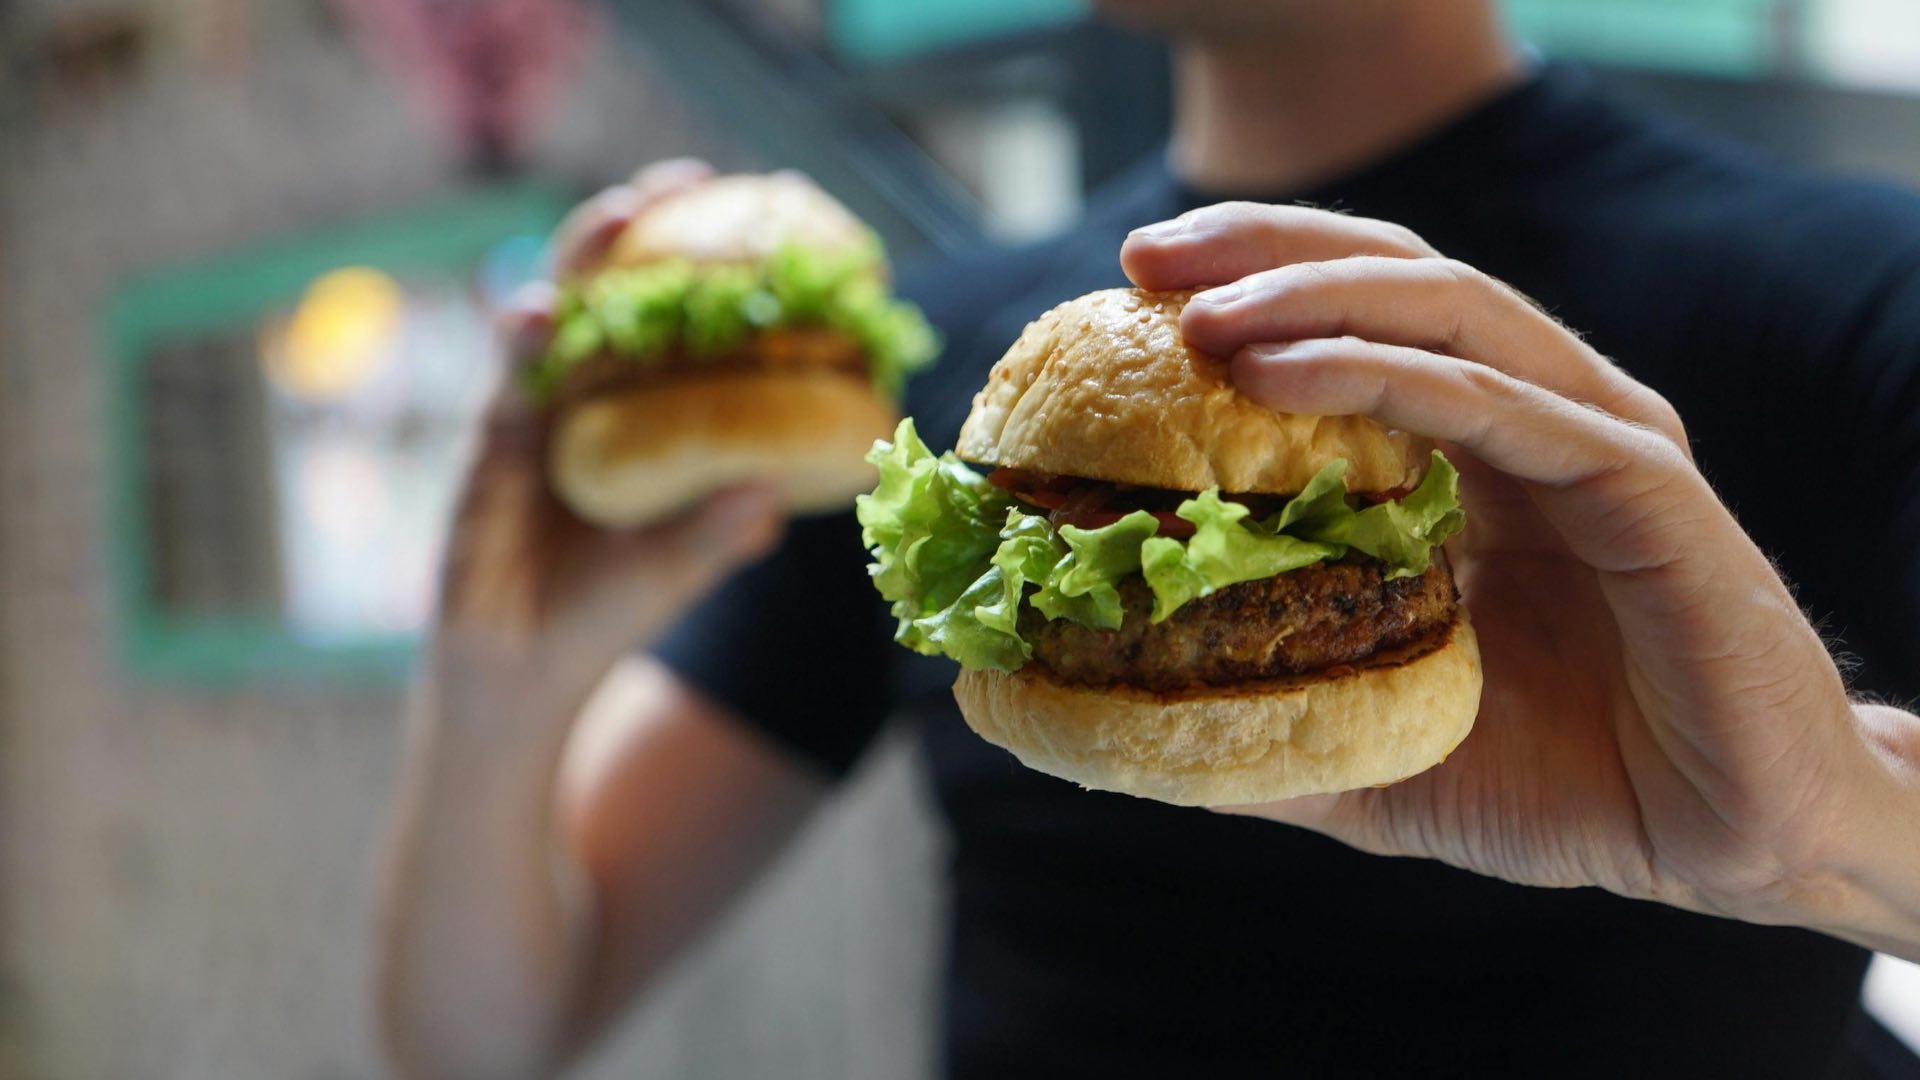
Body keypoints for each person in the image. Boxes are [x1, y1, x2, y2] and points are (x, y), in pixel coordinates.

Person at [377, 2, 1920, 1076]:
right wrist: (497, 685)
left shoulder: (1858, 292)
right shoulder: (948, 376)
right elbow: (493, 1034)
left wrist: (1830, 832)